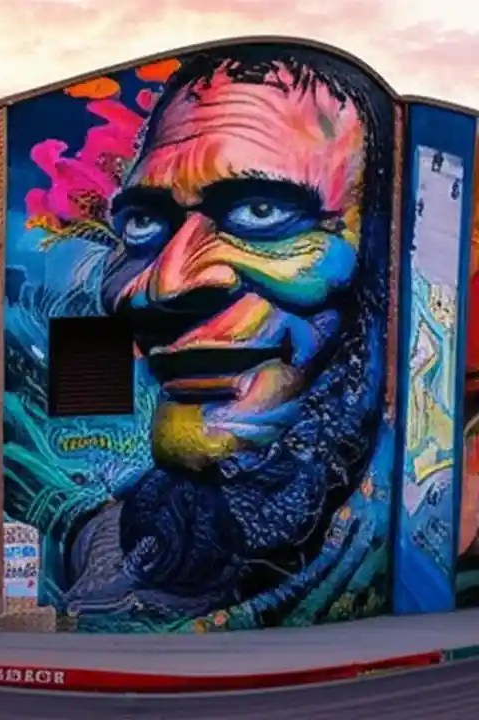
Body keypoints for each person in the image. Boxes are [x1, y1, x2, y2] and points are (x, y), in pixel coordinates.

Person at [60, 45, 395, 625]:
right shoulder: (101, 545)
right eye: (143, 222)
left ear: (380, 264)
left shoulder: (419, 528)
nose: (168, 283)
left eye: (263, 211)